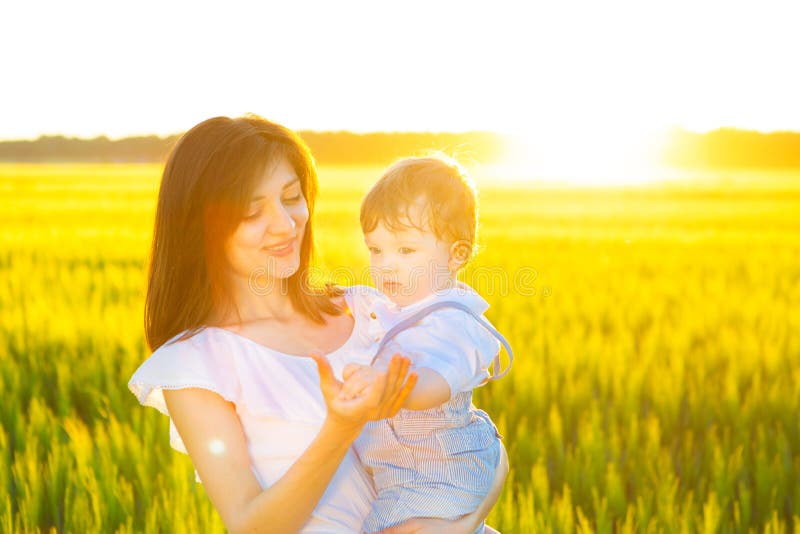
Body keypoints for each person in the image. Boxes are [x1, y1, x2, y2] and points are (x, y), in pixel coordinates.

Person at [127, 114, 507, 533]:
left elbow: (473, 446)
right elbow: (250, 526)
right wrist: (340, 428)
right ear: (201, 227)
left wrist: (459, 520)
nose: (286, 224)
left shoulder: (370, 310)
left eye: (291, 197)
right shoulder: (195, 365)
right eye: (253, 211)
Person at [336, 155, 512, 533]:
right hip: (413, 476)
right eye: (375, 249)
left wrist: (396, 386)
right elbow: (361, 302)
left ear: (456, 255)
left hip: (437, 480)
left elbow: (436, 382)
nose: (386, 265)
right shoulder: (394, 305)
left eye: (405, 251)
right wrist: (331, 297)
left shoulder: (455, 323)